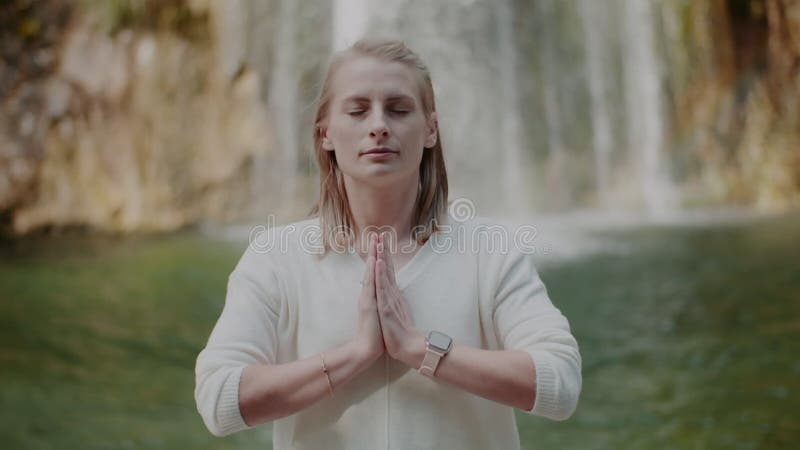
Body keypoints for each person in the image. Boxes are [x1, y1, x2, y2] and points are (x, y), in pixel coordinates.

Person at [194, 39, 581, 450]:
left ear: (430, 129)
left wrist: (419, 349)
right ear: (325, 133)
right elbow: (219, 400)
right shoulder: (275, 258)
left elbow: (560, 383)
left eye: (398, 110)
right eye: (358, 110)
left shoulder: (490, 251)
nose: (378, 125)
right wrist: (354, 356)